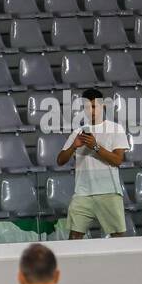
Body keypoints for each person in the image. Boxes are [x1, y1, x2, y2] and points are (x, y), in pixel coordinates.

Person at [56, 87, 130, 239]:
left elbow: (117, 160)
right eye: (88, 107)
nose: (91, 110)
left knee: (118, 236)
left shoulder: (116, 128)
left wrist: (95, 147)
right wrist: (73, 147)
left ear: (102, 105)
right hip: (82, 192)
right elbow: (60, 160)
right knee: (74, 237)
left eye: (94, 106)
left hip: (109, 190)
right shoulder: (78, 132)